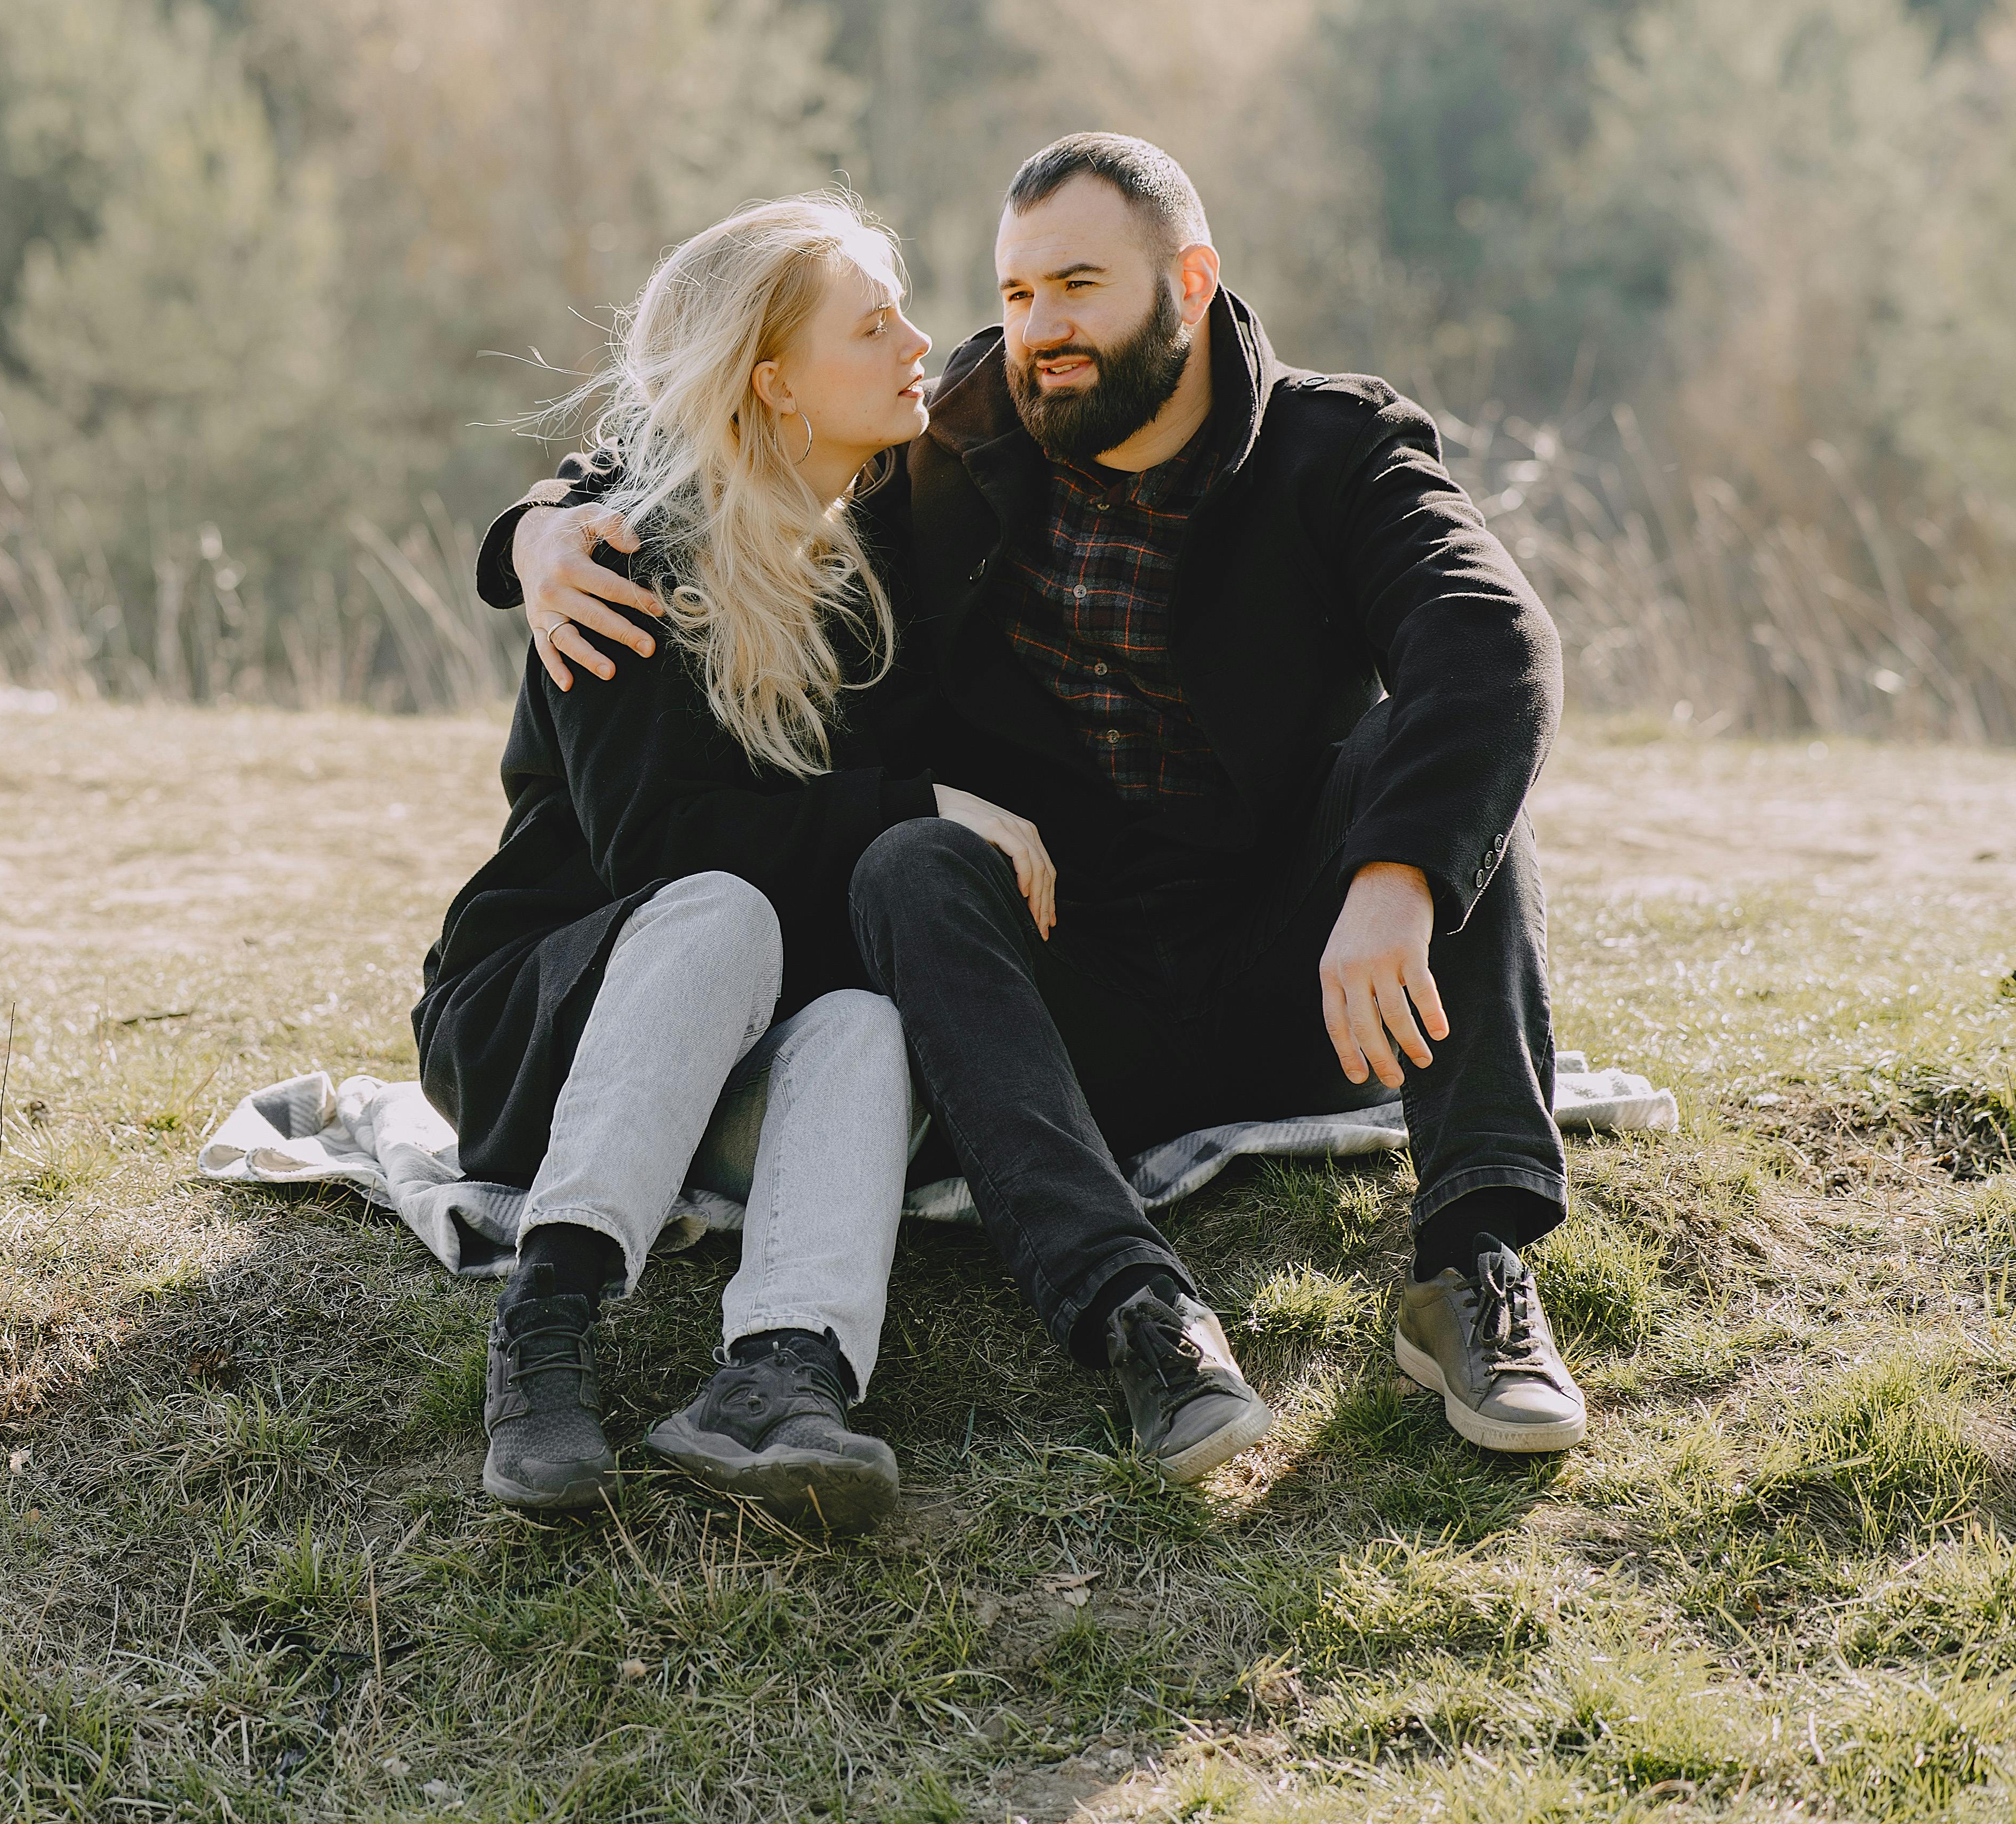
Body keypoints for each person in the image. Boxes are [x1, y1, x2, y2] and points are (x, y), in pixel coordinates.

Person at [490, 134, 1586, 1484]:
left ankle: (1473, 1264)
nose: (1039, 330)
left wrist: (1399, 877)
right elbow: (693, 437)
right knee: (909, 864)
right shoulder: (956, 432)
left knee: (1436, 765)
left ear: (1189, 278)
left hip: (1305, 980)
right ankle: (1140, 1313)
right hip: (1073, 1003)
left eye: (1078, 284)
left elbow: (1492, 633)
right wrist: (541, 527)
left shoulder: (1335, 448)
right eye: (1014, 295)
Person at [415, 193, 1038, 1528]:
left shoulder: (870, 547)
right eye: (874, 326)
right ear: (774, 383)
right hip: (548, 1023)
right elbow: (660, 850)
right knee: (718, 910)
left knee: (868, 1022)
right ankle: (546, 1330)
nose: (920, 340)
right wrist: (925, 801)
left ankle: (778, 1380)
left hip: (731, 1063)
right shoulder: (620, 557)